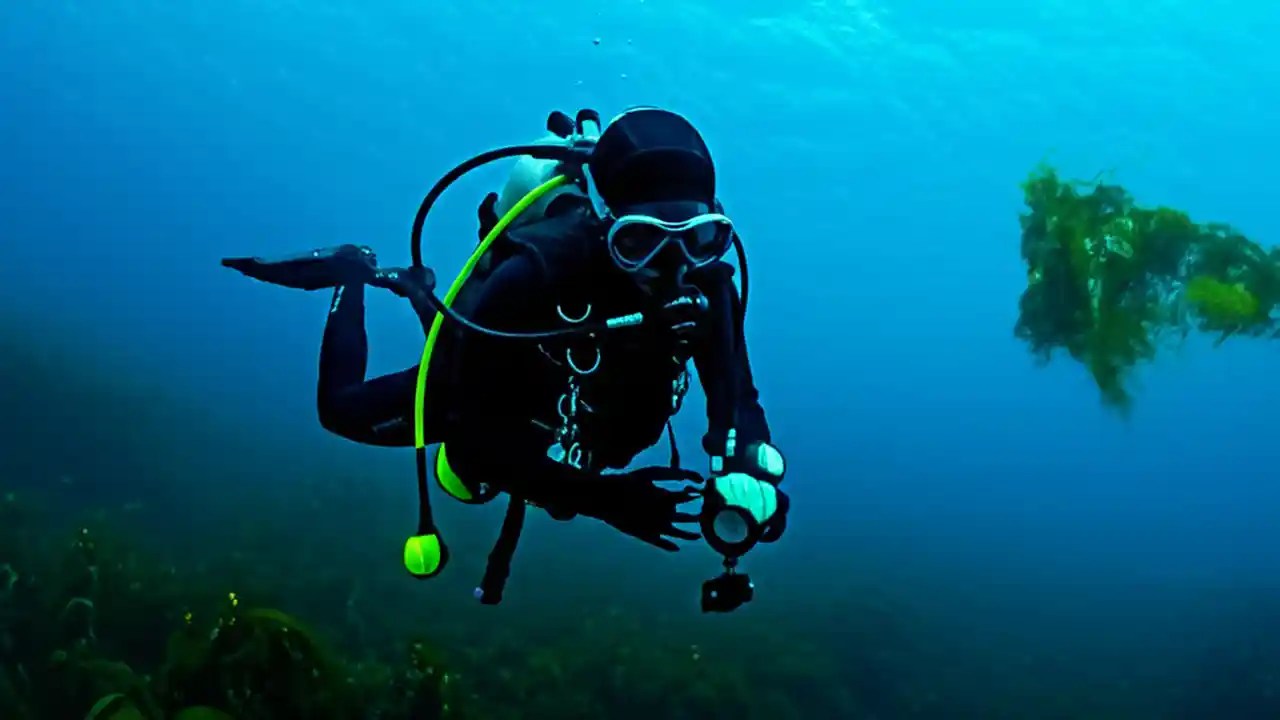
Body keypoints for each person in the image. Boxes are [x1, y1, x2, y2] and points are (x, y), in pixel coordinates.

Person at [223, 106, 789, 611]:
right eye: (640, 242)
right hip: (494, 387)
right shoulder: (536, 272)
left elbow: (737, 398)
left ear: (715, 225)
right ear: (602, 220)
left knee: (548, 466)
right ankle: (351, 273)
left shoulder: (709, 286)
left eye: (697, 238)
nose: (673, 265)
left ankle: (423, 291)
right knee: (342, 411)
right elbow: (473, 436)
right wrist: (604, 499)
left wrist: (746, 475)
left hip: (571, 404)